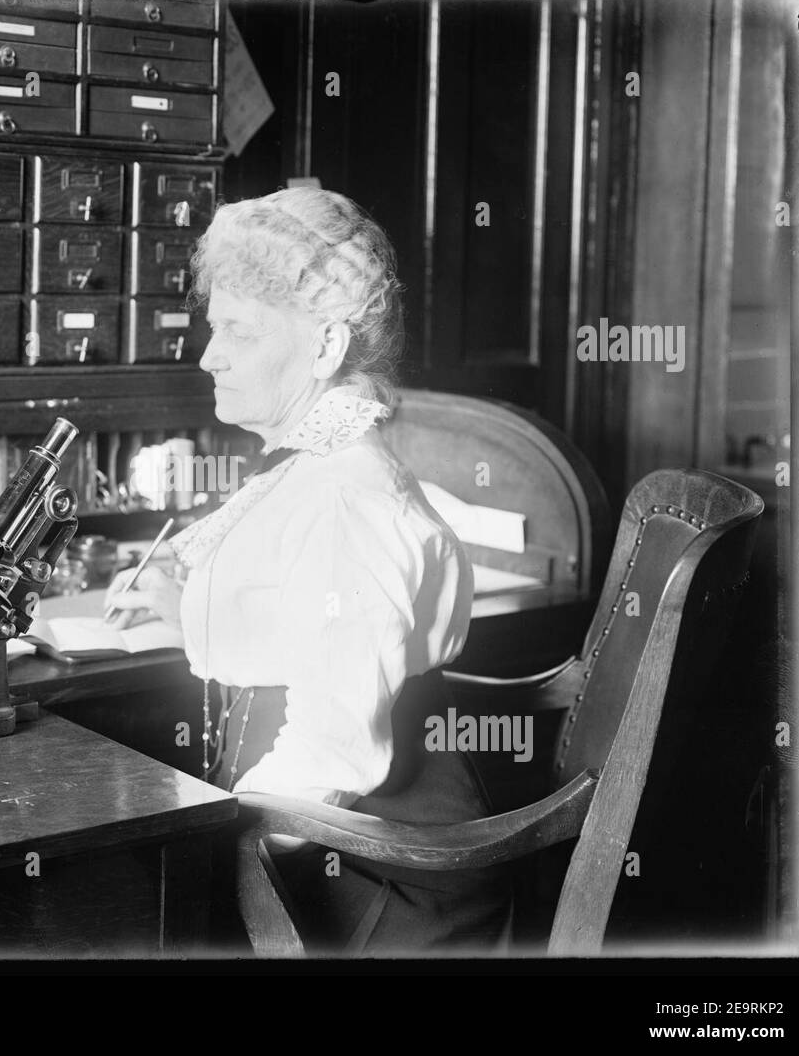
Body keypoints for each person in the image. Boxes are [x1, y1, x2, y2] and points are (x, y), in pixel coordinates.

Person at [104, 186, 510, 955]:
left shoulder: (344, 500)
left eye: (238, 332)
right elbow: (309, 627)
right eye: (211, 325)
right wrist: (187, 607)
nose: (207, 354)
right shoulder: (316, 468)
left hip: (385, 887)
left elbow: (335, 749)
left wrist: (206, 840)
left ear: (326, 346)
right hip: (327, 848)